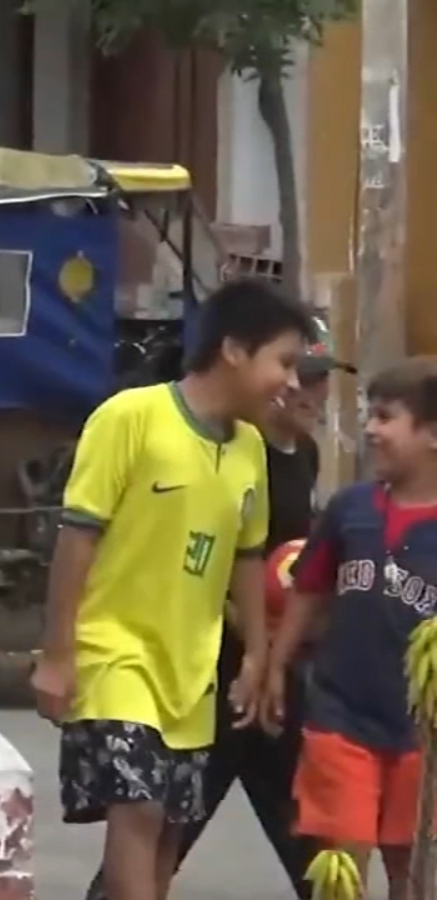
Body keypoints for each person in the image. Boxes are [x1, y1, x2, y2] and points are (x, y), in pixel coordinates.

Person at [31, 277, 315, 900]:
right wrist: (57, 655)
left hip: (192, 673)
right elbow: (77, 539)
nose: (292, 383)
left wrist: (261, 658)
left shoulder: (249, 450)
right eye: (285, 363)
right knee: (139, 811)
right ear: (235, 350)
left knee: (168, 829)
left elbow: (247, 559)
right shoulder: (130, 418)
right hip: (115, 654)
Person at [80, 334, 350, 900]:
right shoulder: (232, 449)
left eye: (322, 379)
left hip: (274, 663)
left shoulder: (302, 455)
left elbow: (285, 566)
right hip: (217, 662)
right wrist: (251, 642)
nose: (315, 392)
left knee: (303, 819)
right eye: (302, 374)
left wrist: (282, 647)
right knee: (161, 818)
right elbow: (223, 562)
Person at [264, 356, 437, 900]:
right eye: (369, 415)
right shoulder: (350, 509)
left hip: (420, 734)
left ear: (432, 434)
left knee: (410, 870)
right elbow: (310, 592)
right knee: (341, 862)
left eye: (385, 417)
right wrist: (274, 667)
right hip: (340, 716)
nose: (370, 430)